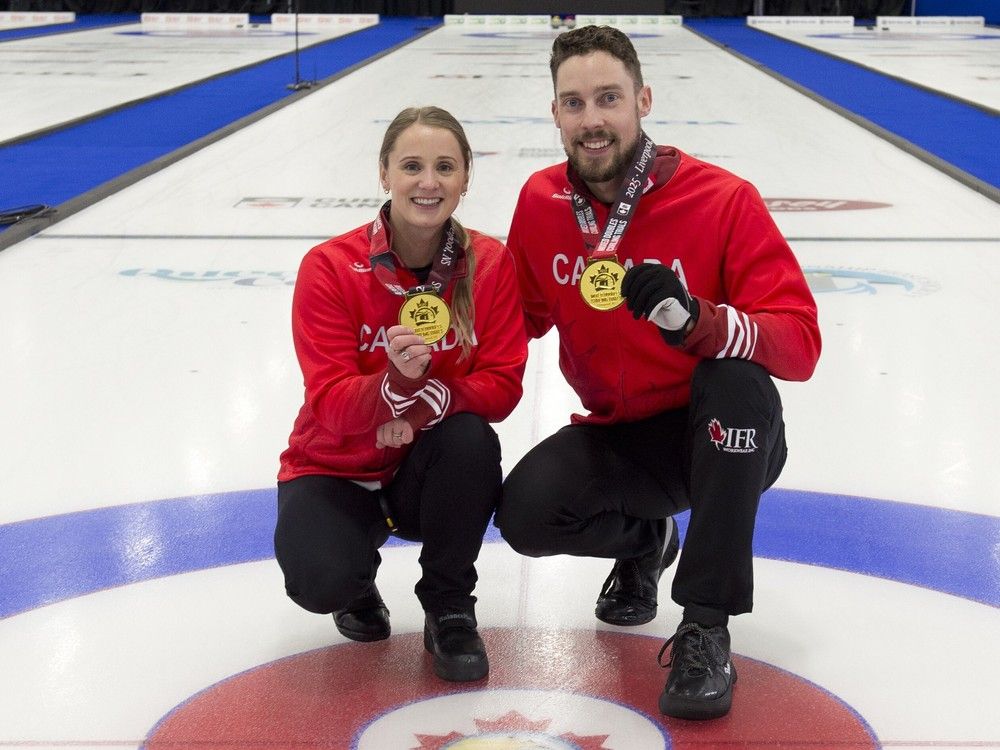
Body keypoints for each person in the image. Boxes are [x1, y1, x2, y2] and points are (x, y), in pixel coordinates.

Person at [494, 26, 821, 719]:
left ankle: (705, 624)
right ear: (555, 114)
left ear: (642, 99)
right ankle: (649, 540)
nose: (593, 121)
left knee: (734, 379)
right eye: (574, 103)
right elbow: (513, 320)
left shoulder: (722, 199)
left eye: (608, 98)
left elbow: (801, 342)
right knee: (525, 514)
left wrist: (700, 321)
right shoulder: (541, 202)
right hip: (621, 436)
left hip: (721, 432)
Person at [274, 106, 527, 683]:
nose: (428, 182)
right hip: (335, 465)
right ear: (384, 173)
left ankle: (450, 607)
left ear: (466, 178)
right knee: (319, 580)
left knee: (470, 440)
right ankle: (355, 580)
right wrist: (390, 387)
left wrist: (427, 403)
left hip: (421, 467)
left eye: (445, 166)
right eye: (412, 165)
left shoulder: (488, 263)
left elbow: (504, 383)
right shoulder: (331, 267)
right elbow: (331, 403)